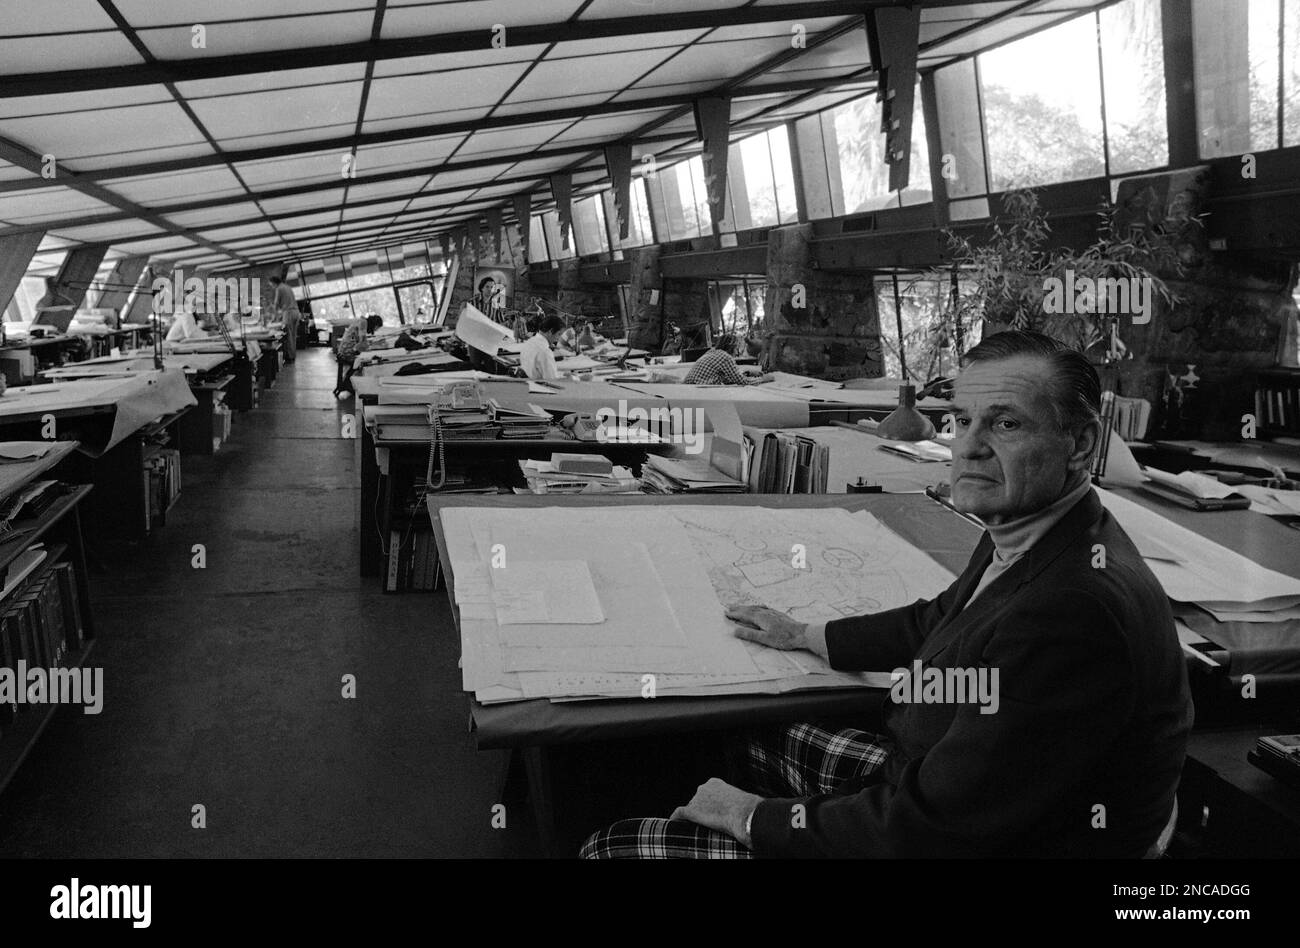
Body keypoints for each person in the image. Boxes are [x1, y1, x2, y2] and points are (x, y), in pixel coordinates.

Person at [582, 330, 1193, 858]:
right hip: (939, 770)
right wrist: (806, 635)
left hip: (972, 837)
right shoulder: (1037, 527)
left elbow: (925, 832)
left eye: (1006, 423)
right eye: (961, 421)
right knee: (740, 735)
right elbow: (941, 617)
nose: (968, 446)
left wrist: (749, 817)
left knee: (609, 847)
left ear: (1081, 444)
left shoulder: (1070, 612)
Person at [682, 333, 773, 385]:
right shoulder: (725, 357)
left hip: (687, 386)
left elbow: (727, 377)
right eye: (737, 347)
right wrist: (764, 379)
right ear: (732, 347)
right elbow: (743, 382)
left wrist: (748, 373)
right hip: (697, 389)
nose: (738, 351)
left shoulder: (712, 351)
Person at [517, 314, 563, 380]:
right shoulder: (545, 352)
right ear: (551, 331)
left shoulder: (529, 342)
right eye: (559, 334)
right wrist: (573, 379)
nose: (559, 338)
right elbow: (553, 381)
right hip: (541, 387)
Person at [268, 275, 299, 362]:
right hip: (296, 312)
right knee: (293, 335)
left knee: (288, 335)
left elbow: (276, 304)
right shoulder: (287, 287)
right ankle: (293, 355)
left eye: (271, 285)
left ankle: (289, 357)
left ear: (274, 283)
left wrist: (273, 318)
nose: (272, 287)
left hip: (289, 313)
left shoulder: (279, 288)